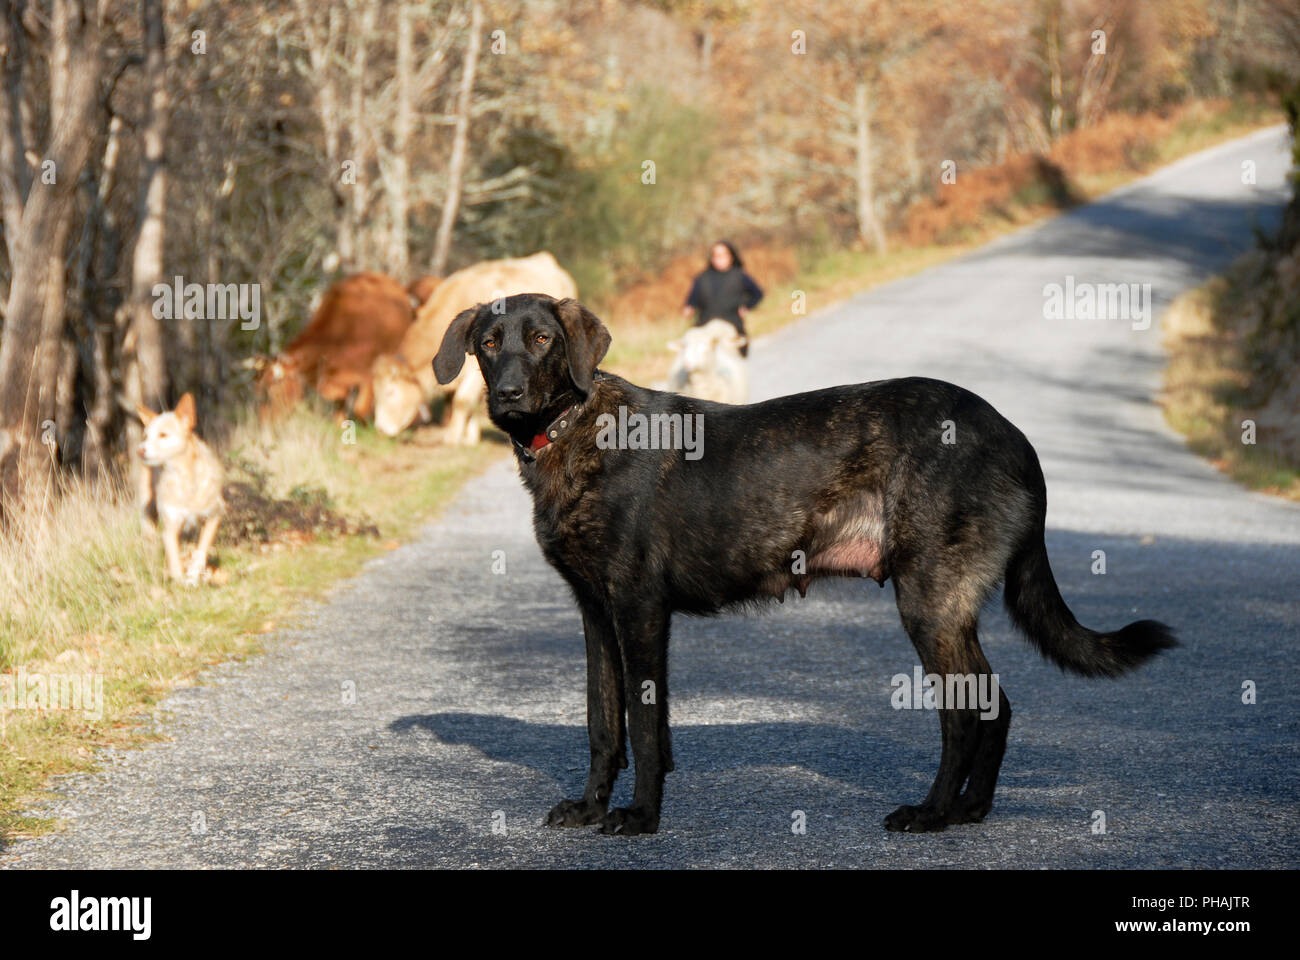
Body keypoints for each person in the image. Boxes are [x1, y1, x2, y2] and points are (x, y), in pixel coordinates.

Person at [681, 240, 763, 357]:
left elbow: (758, 294)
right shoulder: (702, 278)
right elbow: (692, 300)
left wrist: (747, 307)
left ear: (731, 256)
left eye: (723, 255)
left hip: (731, 323)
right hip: (705, 325)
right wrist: (689, 308)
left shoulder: (739, 276)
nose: (719, 258)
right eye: (716, 255)